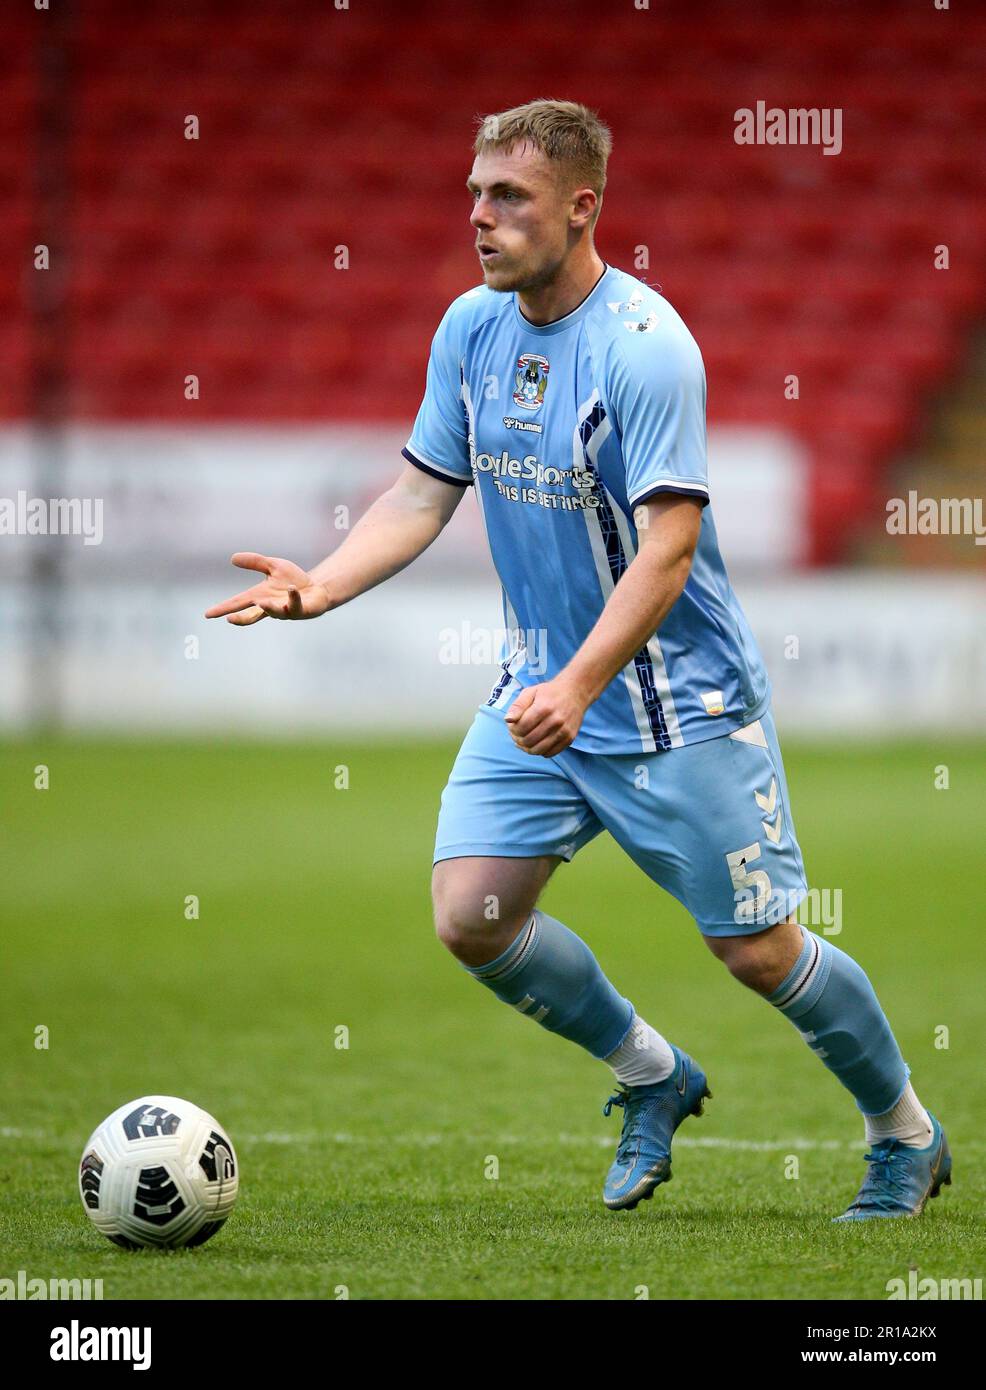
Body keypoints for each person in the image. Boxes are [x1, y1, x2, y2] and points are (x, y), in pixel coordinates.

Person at [206, 99, 950, 1221]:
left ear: (581, 205)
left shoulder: (646, 352)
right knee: (471, 915)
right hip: (540, 692)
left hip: (674, 705)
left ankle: (904, 1134)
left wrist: (579, 684)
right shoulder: (469, 328)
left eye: (506, 198)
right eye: (473, 195)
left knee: (754, 951)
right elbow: (420, 493)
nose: (480, 218)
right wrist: (322, 582)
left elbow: (670, 547)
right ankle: (654, 1074)